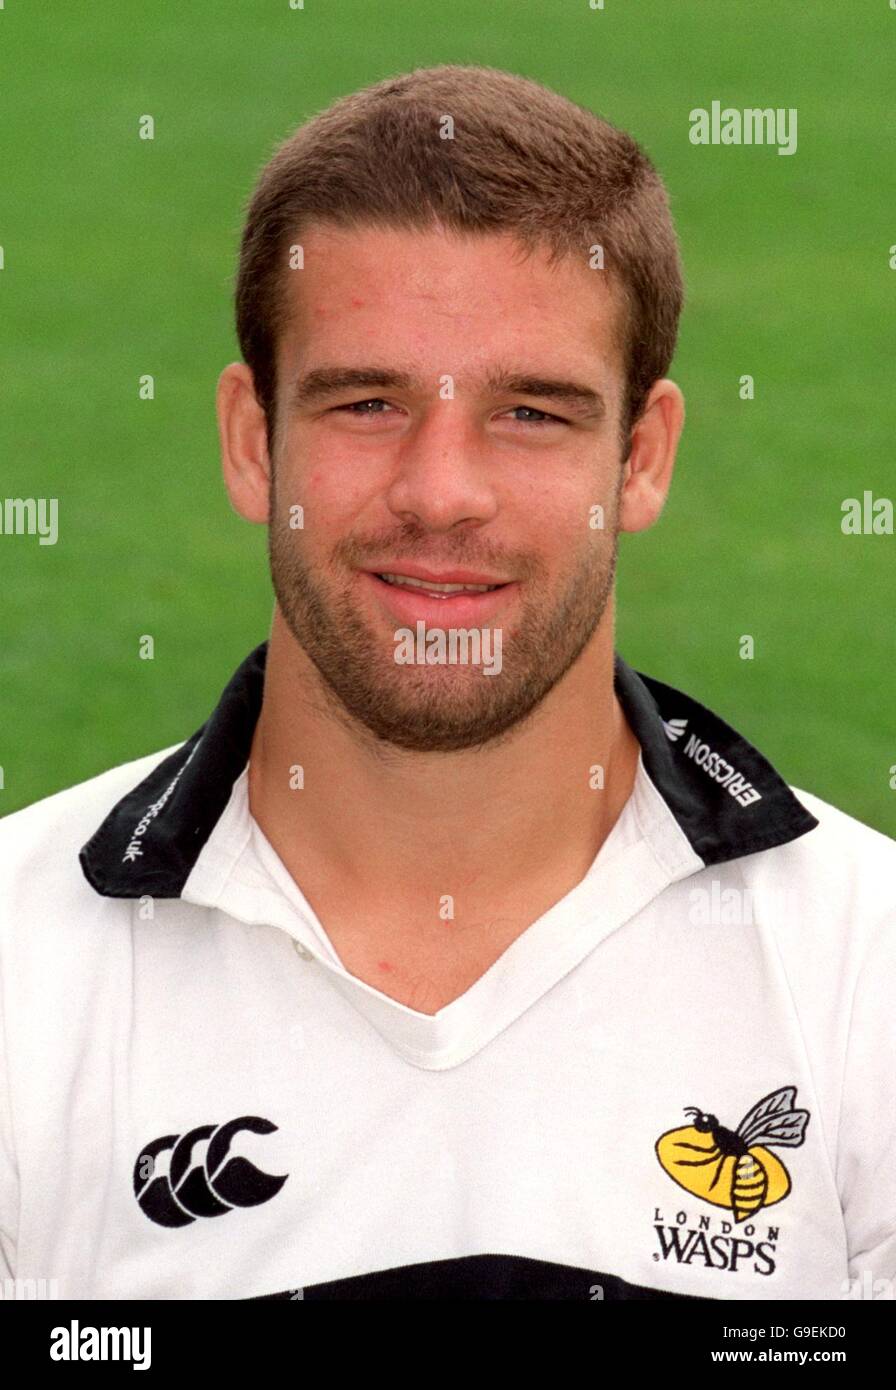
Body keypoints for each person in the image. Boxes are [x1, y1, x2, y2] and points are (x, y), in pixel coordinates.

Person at [1, 66, 893, 1302]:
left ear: (640, 457)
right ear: (253, 440)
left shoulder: (867, 968)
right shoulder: (19, 970)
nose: (439, 492)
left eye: (531, 413)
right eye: (365, 401)